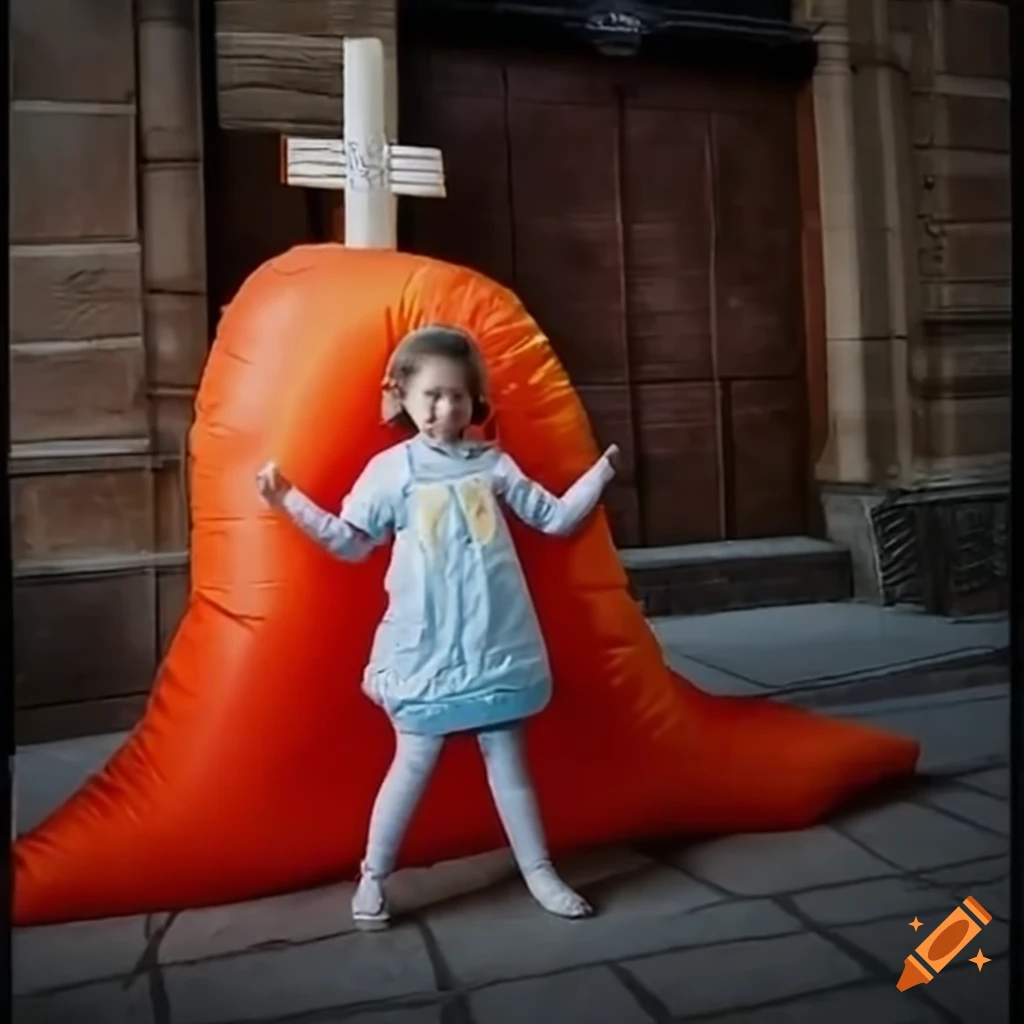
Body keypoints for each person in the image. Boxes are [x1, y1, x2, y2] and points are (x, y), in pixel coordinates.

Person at [256, 324, 619, 929]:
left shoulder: (493, 463)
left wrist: (601, 473)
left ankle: (539, 871)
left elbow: (553, 519)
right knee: (413, 763)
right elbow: (350, 544)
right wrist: (288, 498)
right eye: (428, 394)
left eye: (455, 395)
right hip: (426, 651)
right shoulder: (390, 471)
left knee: (509, 762)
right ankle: (373, 875)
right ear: (401, 395)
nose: (442, 408)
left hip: (495, 644)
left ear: (473, 400)